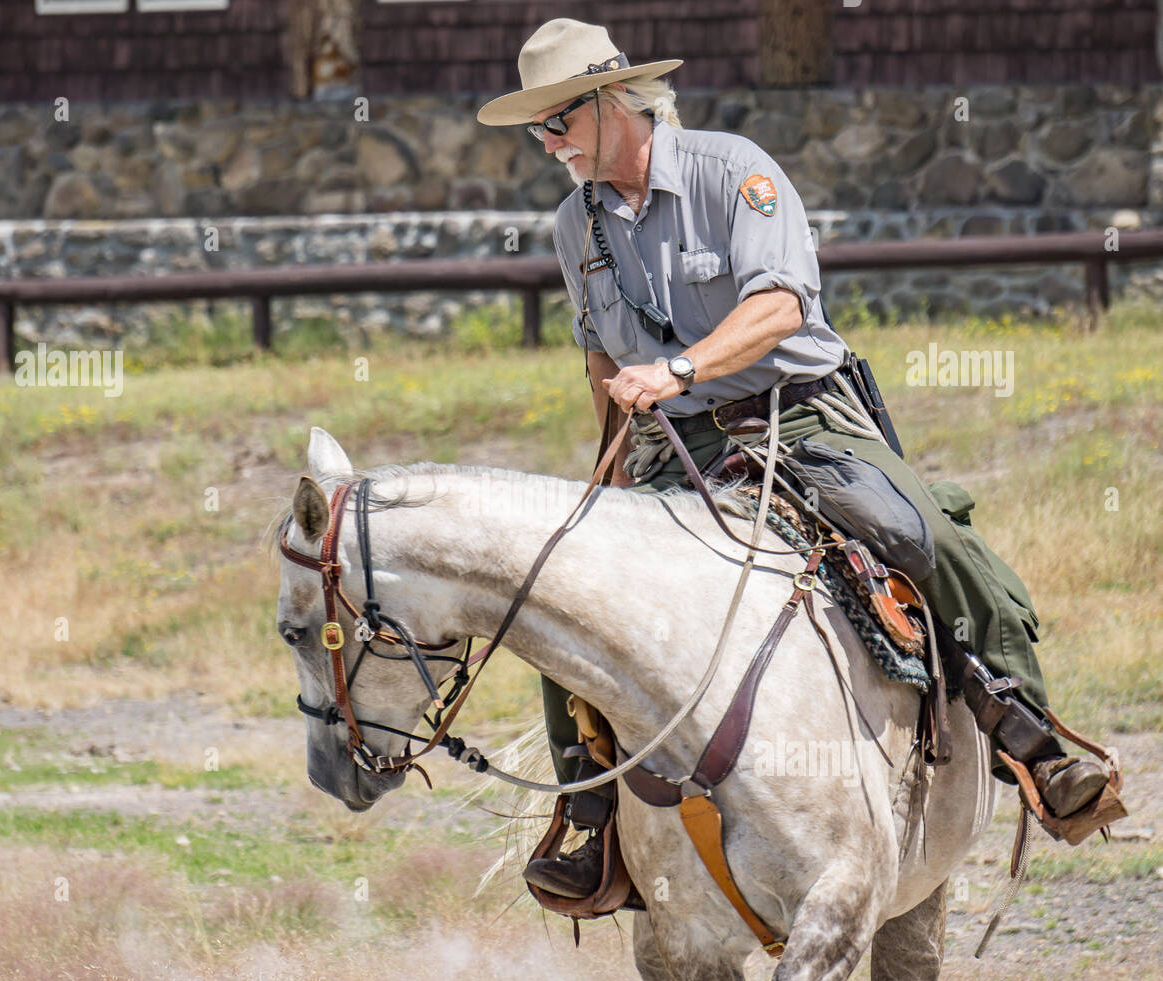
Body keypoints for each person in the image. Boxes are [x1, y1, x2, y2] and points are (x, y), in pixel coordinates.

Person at [476, 19, 1115, 899]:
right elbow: (599, 358)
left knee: (920, 535)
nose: (546, 143)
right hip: (674, 441)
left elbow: (777, 308)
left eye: (556, 121)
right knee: (569, 591)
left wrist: (680, 368)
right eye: (535, 129)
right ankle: (588, 819)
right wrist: (613, 465)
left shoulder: (734, 170)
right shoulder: (571, 225)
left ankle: (1030, 739)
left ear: (611, 100)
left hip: (798, 415)